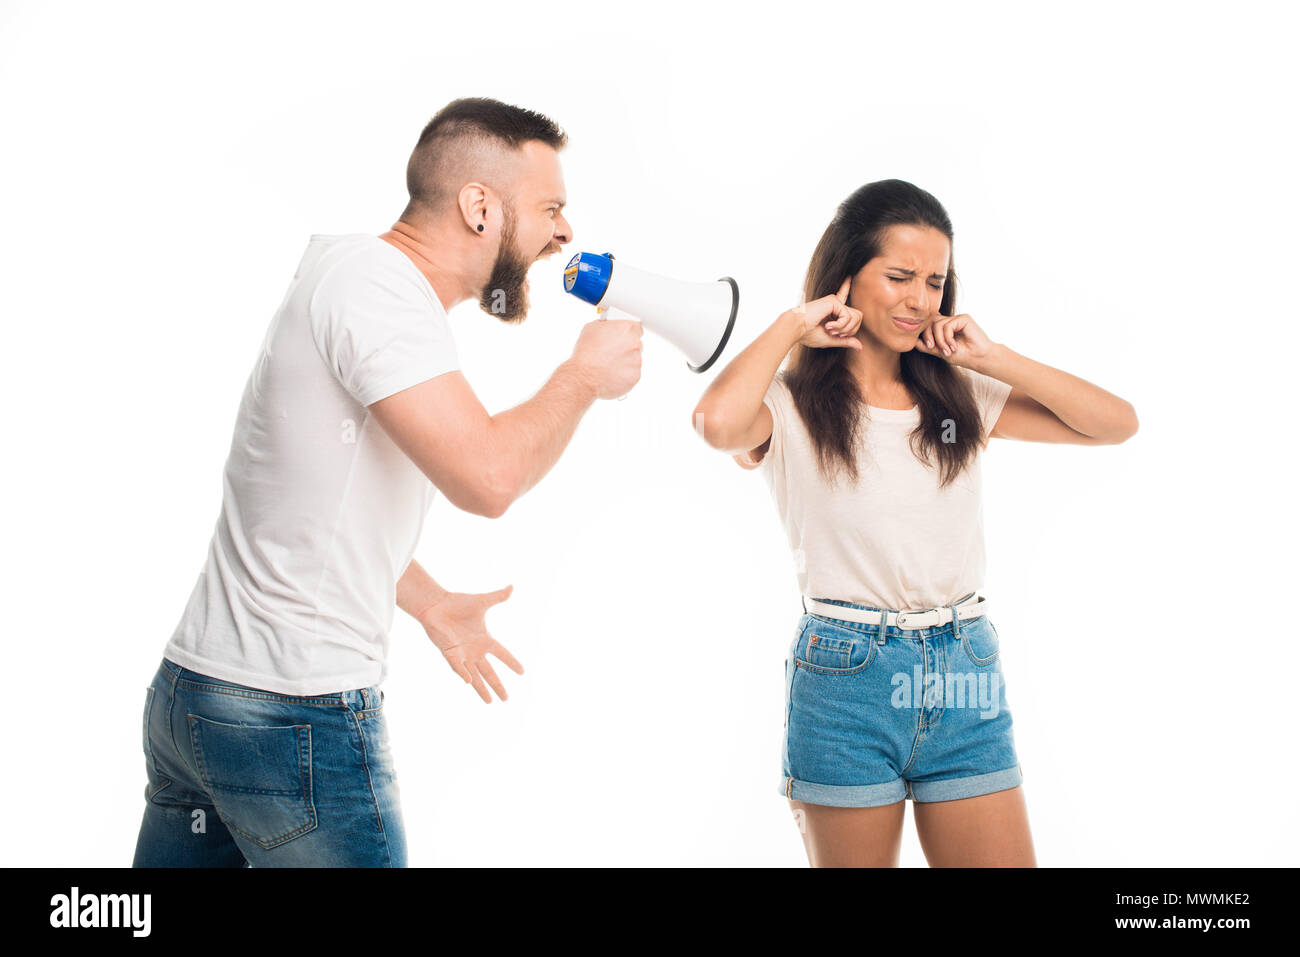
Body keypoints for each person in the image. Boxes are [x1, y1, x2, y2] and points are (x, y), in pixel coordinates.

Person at [133, 97, 643, 867]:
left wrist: (430, 600)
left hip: (201, 698)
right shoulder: (381, 293)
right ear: (480, 207)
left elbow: (305, 503)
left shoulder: (351, 276)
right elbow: (490, 478)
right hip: (288, 716)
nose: (565, 232)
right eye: (550, 208)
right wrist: (581, 378)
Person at [692, 179, 1138, 867]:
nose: (919, 299)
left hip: (965, 667)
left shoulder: (957, 394)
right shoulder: (790, 403)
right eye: (898, 276)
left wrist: (993, 357)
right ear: (844, 277)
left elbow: (1115, 423)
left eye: (934, 281)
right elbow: (717, 423)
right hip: (847, 678)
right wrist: (790, 326)